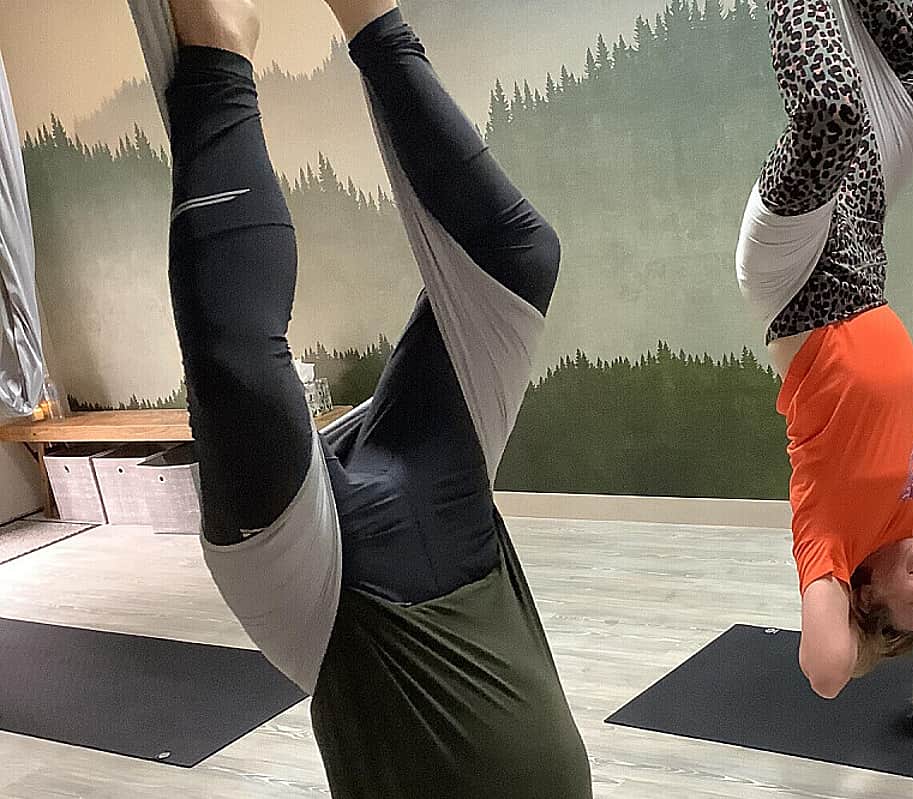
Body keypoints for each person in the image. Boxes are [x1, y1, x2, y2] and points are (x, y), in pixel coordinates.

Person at [128, 0, 592, 795]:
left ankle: (217, 50)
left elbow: (232, 359)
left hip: (331, 601)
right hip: (464, 540)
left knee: (239, 369)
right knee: (518, 257)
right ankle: (368, 16)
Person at [734, 0, 913, 705]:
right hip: (860, 257)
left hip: (794, 276)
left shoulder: (828, 545)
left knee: (831, 112)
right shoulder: (906, 516)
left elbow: (827, 671)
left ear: (865, 600)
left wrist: (863, 632)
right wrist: (910, 583)